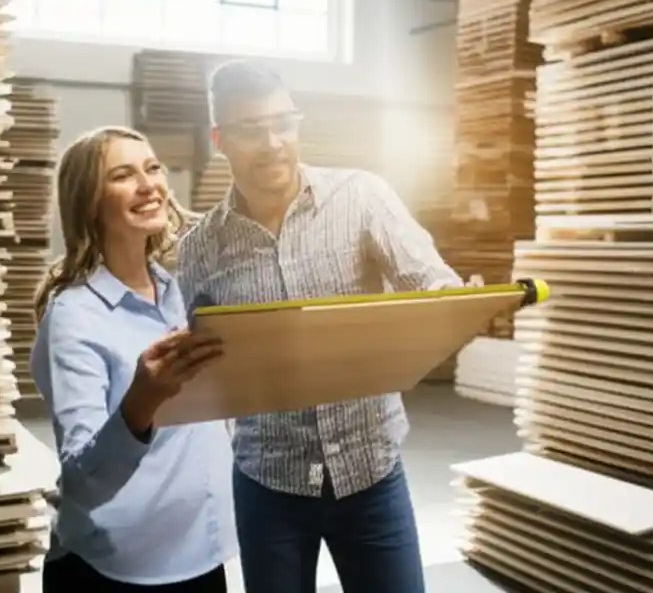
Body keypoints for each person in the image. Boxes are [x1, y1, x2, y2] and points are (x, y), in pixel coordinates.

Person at [177, 60, 463, 593]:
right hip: (269, 484)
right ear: (219, 139)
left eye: (282, 122)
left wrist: (455, 303)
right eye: (250, 129)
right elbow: (200, 370)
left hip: (371, 471)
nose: (272, 142)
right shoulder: (200, 250)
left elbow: (431, 281)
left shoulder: (362, 198)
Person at [31, 126, 237, 592]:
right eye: (123, 175)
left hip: (200, 554)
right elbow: (84, 480)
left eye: (152, 168)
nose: (148, 184)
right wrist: (139, 403)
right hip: (113, 568)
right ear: (90, 203)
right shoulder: (75, 316)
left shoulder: (181, 293)